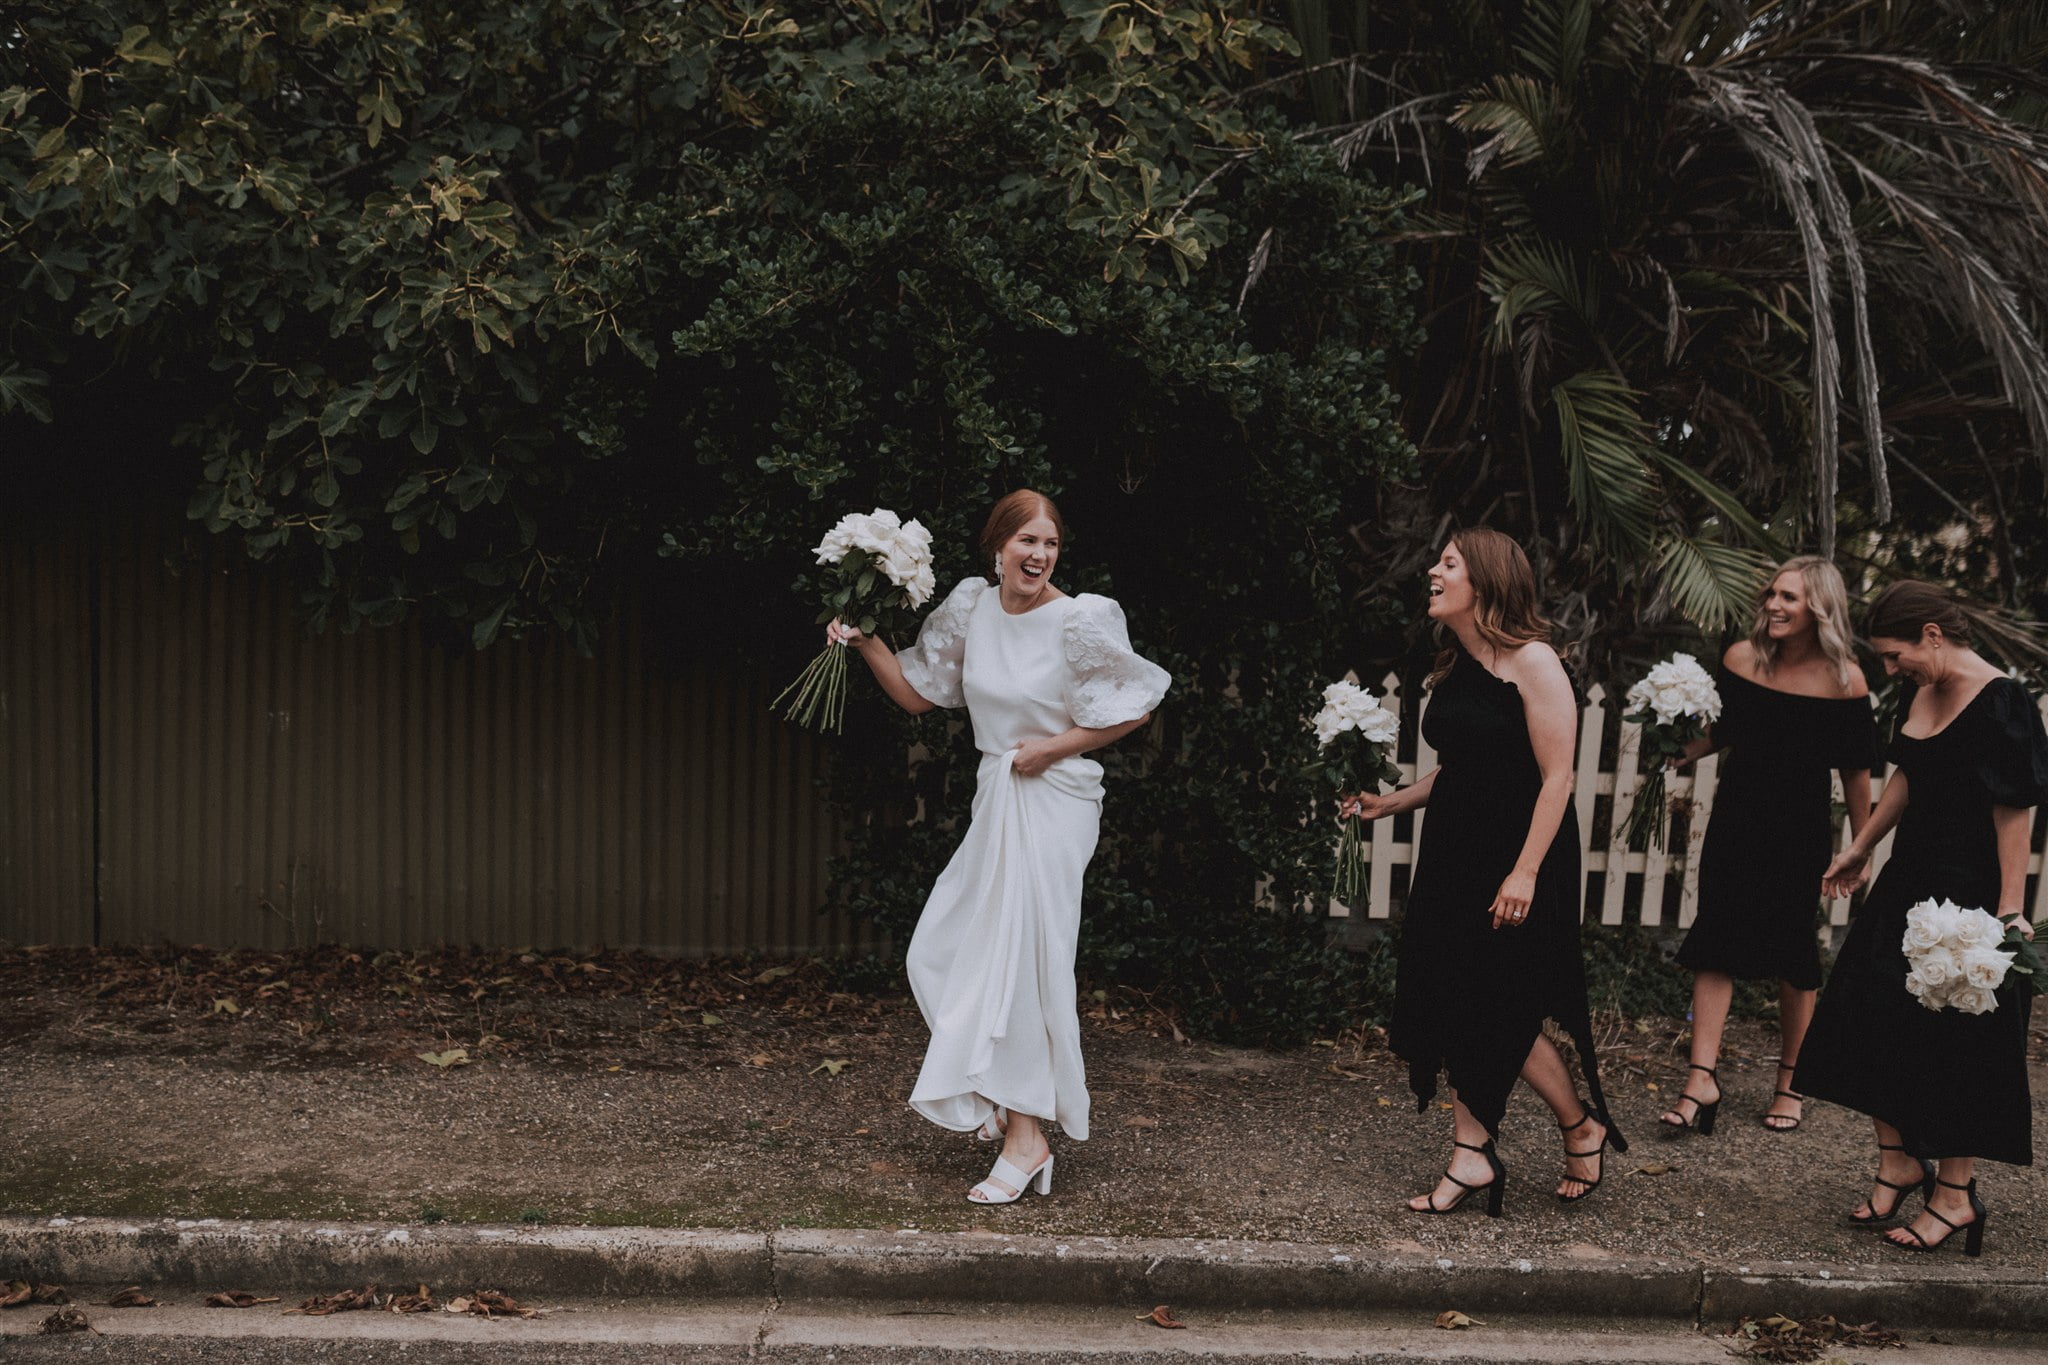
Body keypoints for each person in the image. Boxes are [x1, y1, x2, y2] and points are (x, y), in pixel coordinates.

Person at [827, 489, 1169, 1204]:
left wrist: (1054, 747)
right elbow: (921, 693)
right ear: (998, 547)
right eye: (1026, 542)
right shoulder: (972, 607)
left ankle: (1025, 1136)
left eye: (1049, 543)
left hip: (1054, 798)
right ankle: (1002, 1095)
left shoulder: (1079, 619)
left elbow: (1136, 702)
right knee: (938, 950)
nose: (1039, 555)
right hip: (997, 795)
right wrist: (864, 641)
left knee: (1024, 967)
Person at [1343, 528, 1622, 1216]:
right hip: (1455, 852)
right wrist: (1392, 802)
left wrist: (1524, 872)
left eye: (1448, 563)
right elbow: (1464, 766)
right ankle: (1475, 1152)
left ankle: (1572, 1127)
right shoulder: (1459, 662)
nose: (1433, 573)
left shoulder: (1535, 662)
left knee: (1502, 999)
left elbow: (1558, 777)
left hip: (1521, 851)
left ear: (1487, 581)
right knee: (1458, 994)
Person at [1798, 581, 2047, 1256]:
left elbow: (2014, 811)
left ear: (1933, 634)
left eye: (1895, 654)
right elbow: (1908, 771)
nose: (1890, 668)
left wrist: (2010, 910)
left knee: (1961, 1046)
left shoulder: (2004, 702)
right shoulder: (1919, 690)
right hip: (1909, 882)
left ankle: (1955, 1196)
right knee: (1867, 1013)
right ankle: (1900, 1160)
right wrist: (1859, 845)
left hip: (1970, 895)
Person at [1662, 557, 1875, 1137]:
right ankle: (1699, 1080)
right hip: (1736, 822)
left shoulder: (1846, 680)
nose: (1775, 606)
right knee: (1715, 941)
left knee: (1793, 954)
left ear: (1820, 610)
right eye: (1772, 595)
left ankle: (1791, 1082)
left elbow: (1858, 773)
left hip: (1799, 831)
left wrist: (1861, 847)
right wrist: (1673, 749)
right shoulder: (1740, 659)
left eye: (1790, 599)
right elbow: (1719, 732)